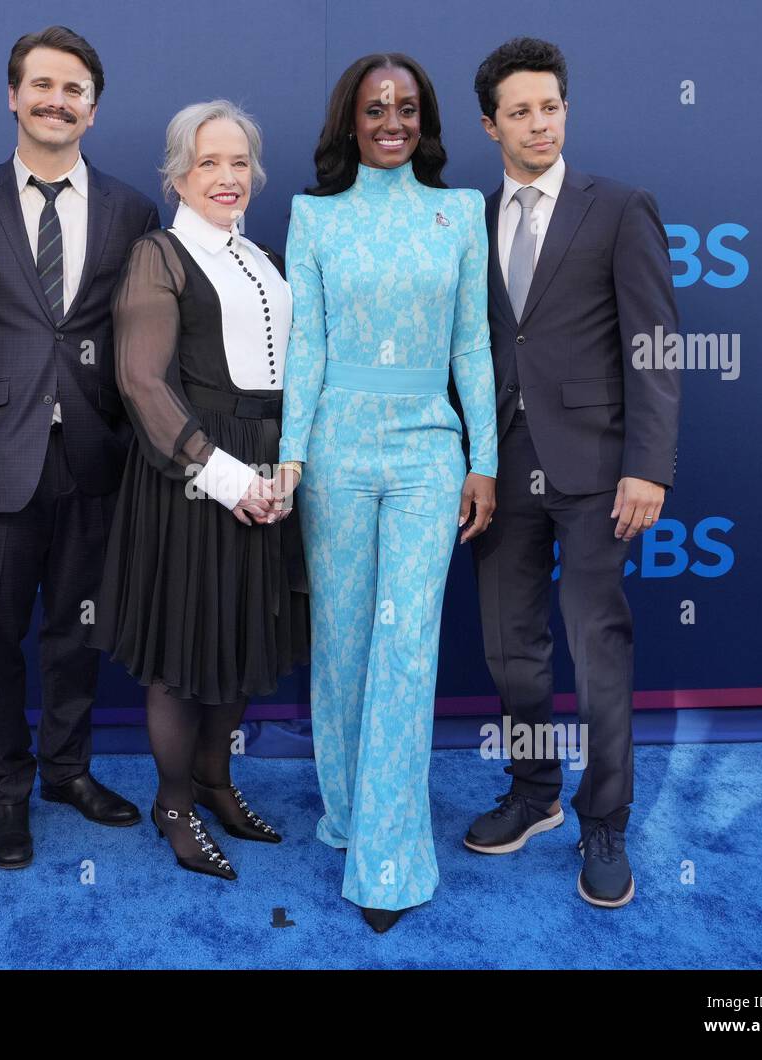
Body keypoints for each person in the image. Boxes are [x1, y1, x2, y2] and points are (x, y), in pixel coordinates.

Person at [455, 38, 680, 908]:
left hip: (595, 468)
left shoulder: (619, 208)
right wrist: (471, 460)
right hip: (500, 470)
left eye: (550, 107)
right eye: (520, 112)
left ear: (565, 110)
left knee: (597, 651)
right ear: (491, 125)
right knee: (511, 648)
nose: (539, 123)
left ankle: (605, 821)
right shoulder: (468, 219)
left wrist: (648, 466)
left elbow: (654, 346)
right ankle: (534, 792)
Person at [278, 55, 498, 931]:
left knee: (406, 651)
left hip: (427, 455)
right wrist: (291, 457)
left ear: (426, 120)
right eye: (375, 109)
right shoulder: (313, 215)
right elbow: (307, 345)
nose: (392, 121)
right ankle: (346, 813)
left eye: (406, 108)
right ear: (351, 121)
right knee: (341, 645)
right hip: (335, 449)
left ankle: (389, 856)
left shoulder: (461, 211)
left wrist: (483, 458)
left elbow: (472, 344)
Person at [0, 26, 159, 869]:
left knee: (77, 629)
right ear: (12, 96)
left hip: (95, 455)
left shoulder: (132, 211)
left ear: (92, 110)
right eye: (42, 85)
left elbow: (141, 342)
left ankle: (68, 771)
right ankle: (5, 789)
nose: (56, 101)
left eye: (74, 90)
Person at [90, 101, 311, 880]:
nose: (226, 176)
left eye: (239, 162)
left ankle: (216, 782)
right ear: (177, 175)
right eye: (208, 162)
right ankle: (175, 804)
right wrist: (226, 478)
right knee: (185, 650)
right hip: (191, 475)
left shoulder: (267, 257)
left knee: (242, 635)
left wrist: (289, 466)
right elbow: (141, 383)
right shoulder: (160, 254)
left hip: (270, 468)